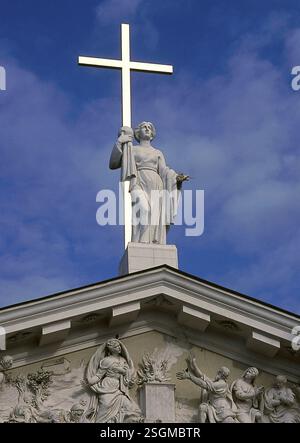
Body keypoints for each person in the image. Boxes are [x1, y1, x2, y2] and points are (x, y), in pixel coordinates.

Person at [109, 122, 189, 244]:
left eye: (149, 128)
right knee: (144, 210)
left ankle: (150, 243)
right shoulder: (132, 149)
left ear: (152, 134)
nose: (147, 129)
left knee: (155, 216)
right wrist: (120, 142)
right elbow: (113, 164)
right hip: (138, 181)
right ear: (137, 132)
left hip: (156, 184)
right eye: (144, 127)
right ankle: (140, 242)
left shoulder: (157, 153)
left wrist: (176, 177)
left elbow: (164, 170)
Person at [84, 338, 143, 423]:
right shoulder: (106, 361)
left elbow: (127, 375)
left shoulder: (123, 361)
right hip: (107, 386)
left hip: (118, 389)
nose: (119, 348)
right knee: (105, 406)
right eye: (116, 346)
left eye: (119, 346)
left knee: (131, 407)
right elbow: (98, 376)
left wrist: (127, 373)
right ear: (111, 349)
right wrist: (90, 381)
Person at [176, 354, 237, 423]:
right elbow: (201, 376)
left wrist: (190, 376)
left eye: (219, 372)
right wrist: (193, 363)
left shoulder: (221, 384)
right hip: (214, 408)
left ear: (221, 374)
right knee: (202, 407)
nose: (217, 372)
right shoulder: (214, 382)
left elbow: (204, 384)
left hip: (223, 411)